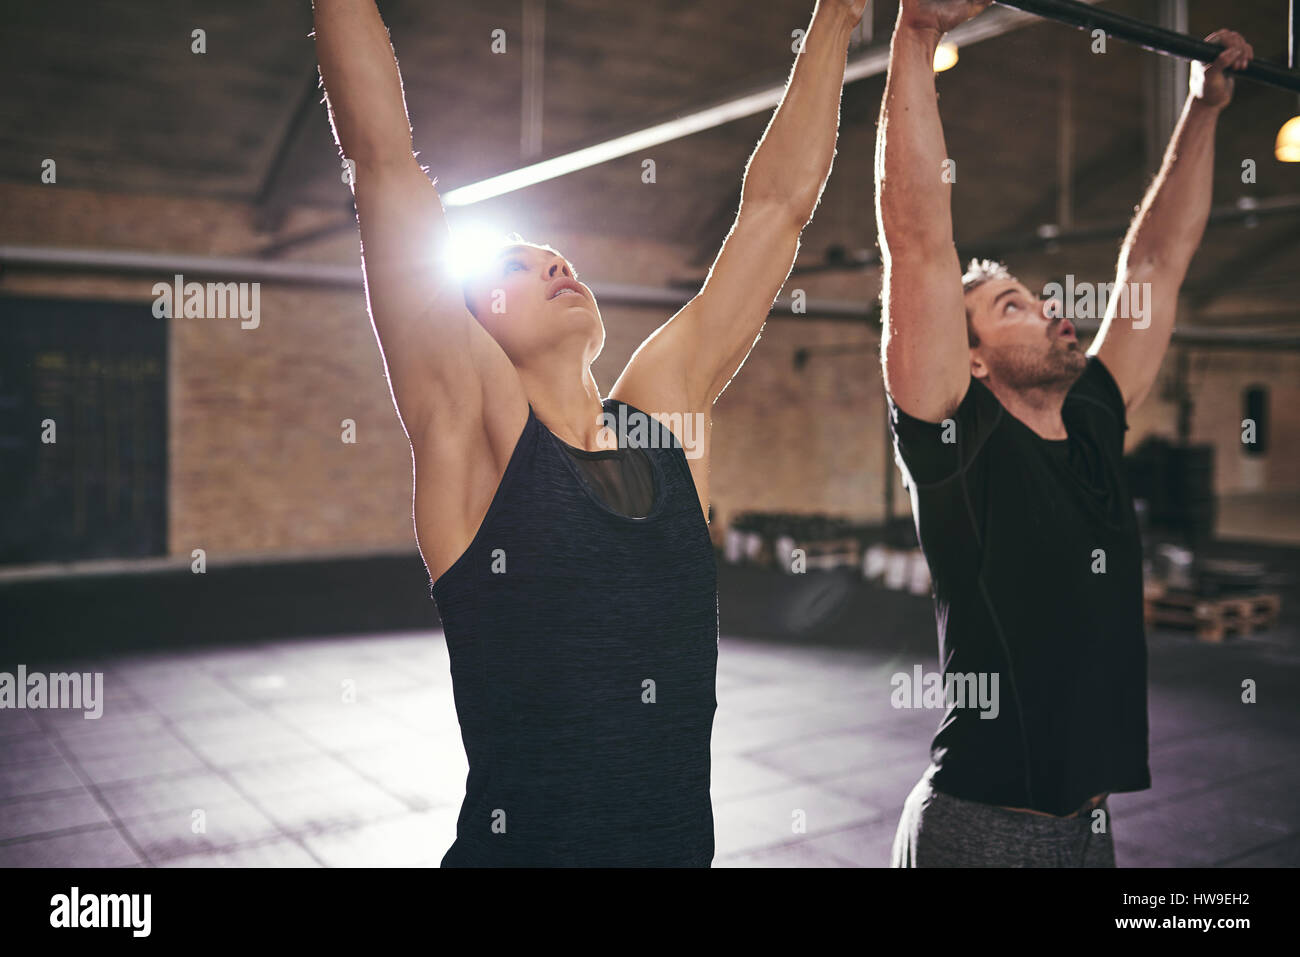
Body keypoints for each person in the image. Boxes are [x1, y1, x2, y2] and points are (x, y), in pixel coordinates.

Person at [311, 0, 868, 865]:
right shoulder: (478, 435)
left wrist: (839, 14)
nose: (553, 265)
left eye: (557, 258)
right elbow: (382, 162)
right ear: (469, 326)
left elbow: (776, 210)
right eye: (515, 267)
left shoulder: (665, 421)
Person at [874, 0, 1253, 866]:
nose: (1053, 315)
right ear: (967, 359)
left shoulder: (1089, 422)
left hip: (1091, 830)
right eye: (1014, 307)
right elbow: (918, 238)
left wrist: (1202, 109)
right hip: (979, 828)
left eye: (1044, 300)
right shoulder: (956, 441)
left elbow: (1155, 262)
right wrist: (919, 36)